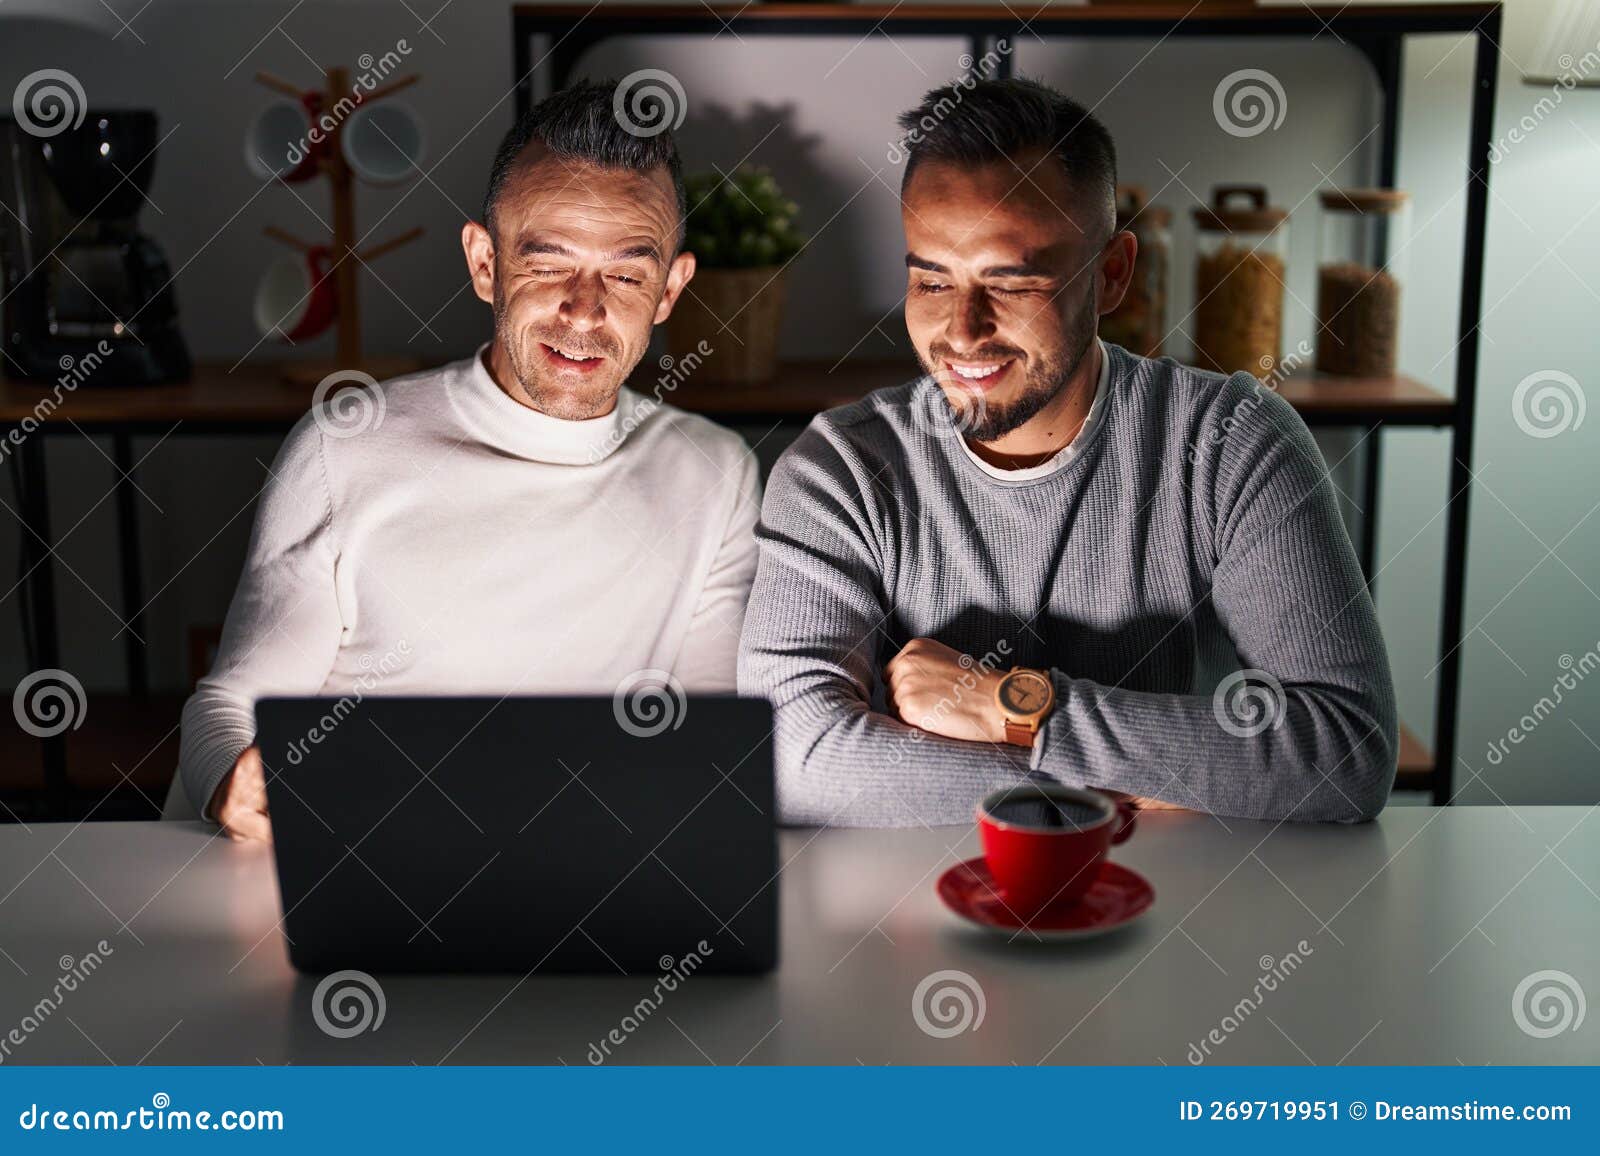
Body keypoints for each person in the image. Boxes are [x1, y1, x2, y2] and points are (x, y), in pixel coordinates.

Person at [738, 77, 1396, 826]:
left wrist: (1016, 705)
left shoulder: (1232, 442)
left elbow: (1346, 755)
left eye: (1010, 282)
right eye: (931, 279)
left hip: (1179, 913)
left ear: (1112, 273)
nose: (963, 330)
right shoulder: (842, 469)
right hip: (915, 922)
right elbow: (790, 759)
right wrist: (1148, 781)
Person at [180, 80, 760, 840]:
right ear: (485, 263)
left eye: (624, 274)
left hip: (588, 870)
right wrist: (233, 781)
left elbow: (704, 745)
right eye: (547, 264)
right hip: (360, 853)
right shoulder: (346, 443)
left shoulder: (714, 473)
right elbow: (225, 709)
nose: (584, 311)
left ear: (669, 289)